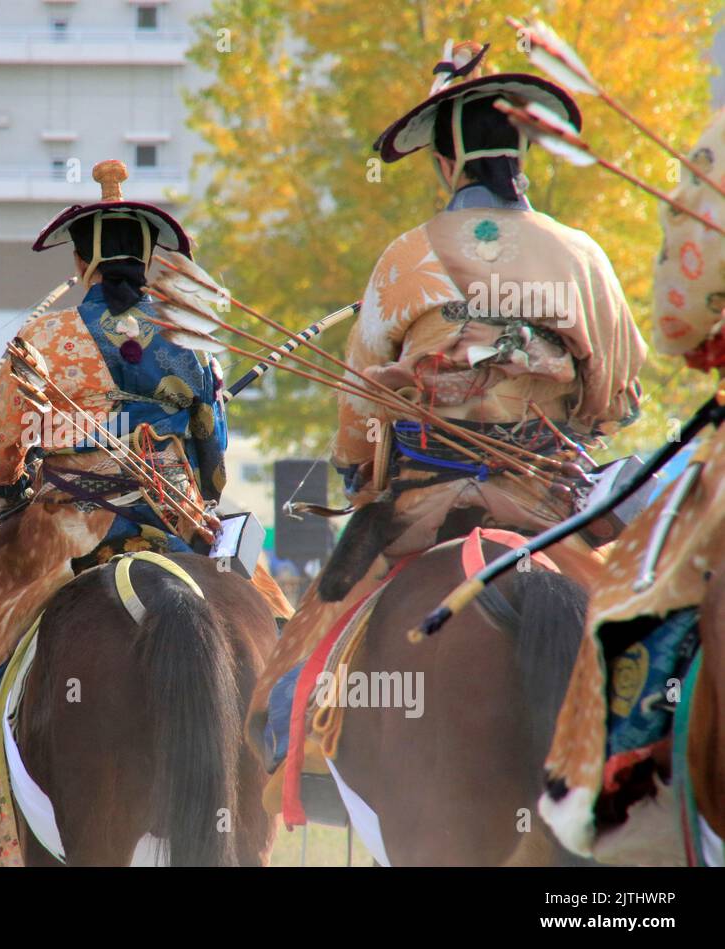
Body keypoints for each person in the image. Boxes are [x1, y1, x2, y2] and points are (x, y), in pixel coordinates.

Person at [249, 39, 647, 795]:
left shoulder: (405, 258)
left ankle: (297, 745)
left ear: (446, 165)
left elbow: (363, 409)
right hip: (548, 503)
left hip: (420, 509)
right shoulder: (582, 255)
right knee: (658, 616)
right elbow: (617, 400)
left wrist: (356, 468)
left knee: (285, 681)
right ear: (522, 156)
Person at [0, 160, 290, 793]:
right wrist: (191, 489)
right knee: (271, 614)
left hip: (67, 530)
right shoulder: (194, 344)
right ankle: (292, 729)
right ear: (147, 262)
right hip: (178, 522)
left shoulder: (39, 338)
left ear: (81, 265)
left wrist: (10, 496)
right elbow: (214, 465)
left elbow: (3, 450)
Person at [541, 108, 725, 866]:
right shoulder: (577, 252)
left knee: (630, 598)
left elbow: (680, 324)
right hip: (550, 472)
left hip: (437, 477)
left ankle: (622, 823)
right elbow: (620, 392)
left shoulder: (720, 152)